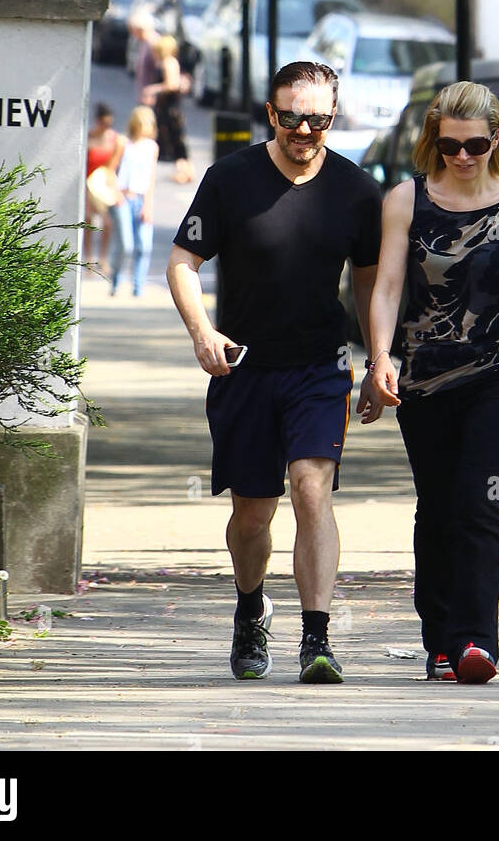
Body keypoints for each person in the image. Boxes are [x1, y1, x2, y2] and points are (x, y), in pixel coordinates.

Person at [358, 80, 499, 684]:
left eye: (475, 144)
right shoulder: (407, 200)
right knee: (437, 508)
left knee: (481, 502)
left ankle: (476, 641)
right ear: (434, 141)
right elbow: (386, 287)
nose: (462, 156)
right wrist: (380, 358)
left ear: (496, 139)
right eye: (450, 144)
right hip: (425, 380)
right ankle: (439, 639)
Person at [166, 61, 382, 684]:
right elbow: (183, 262)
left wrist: (378, 360)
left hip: (320, 368)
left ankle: (317, 639)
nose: (303, 130)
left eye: (316, 119)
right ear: (271, 114)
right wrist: (203, 332)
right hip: (246, 371)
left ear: (332, 120)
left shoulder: (355, 191)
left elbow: (370, 287)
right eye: (291, 117)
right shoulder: (230, 180)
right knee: (253, 515)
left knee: (313, 489)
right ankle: (249, 607)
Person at [109, 106, 159, 298]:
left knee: (144, 245)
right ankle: (116, 279)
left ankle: (138, 286)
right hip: (123, 197)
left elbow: (151, 178)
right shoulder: (124, 142)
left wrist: (149, 205)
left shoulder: (152, 147)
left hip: (141, 198)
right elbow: (111, 170)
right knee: (125, 244)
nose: (146, 128)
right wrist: (117, 193)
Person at [142, 34, 194, 185]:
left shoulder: (168, 63)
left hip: (170, 108)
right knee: (174, 139)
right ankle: (184, 170)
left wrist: (153, 89)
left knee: (175, 138)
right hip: (167, 107)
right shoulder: (167, 62)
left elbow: (171, 84)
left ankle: (185, 170)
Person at [84, 103, 125, 272]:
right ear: (98, 121)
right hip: (88, 184)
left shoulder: (116, 140)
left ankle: (103, 258)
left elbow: (112, 168)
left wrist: (115, 191)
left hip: (103, 184)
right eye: (104, 123)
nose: (107, 127)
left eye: (110, 124)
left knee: (107, 223)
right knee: (89, 221)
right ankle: (88, 259)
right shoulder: (88, 137)